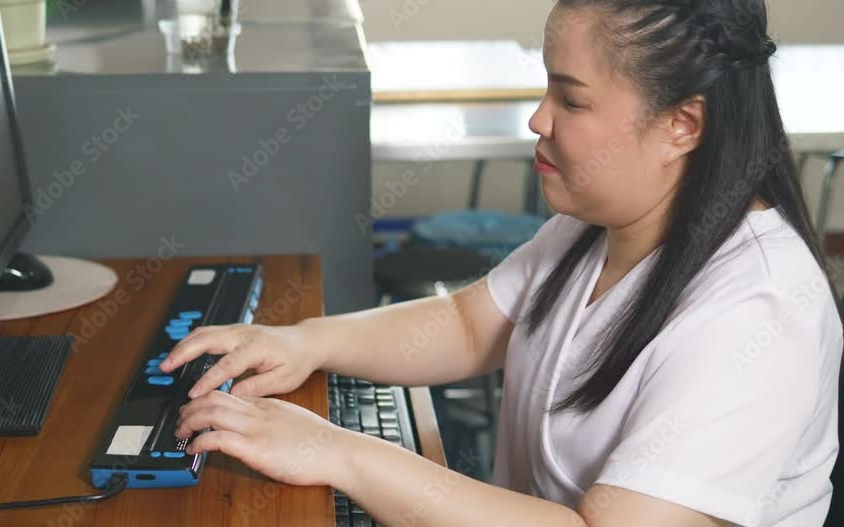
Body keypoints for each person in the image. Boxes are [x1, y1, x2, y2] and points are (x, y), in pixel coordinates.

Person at [160, 0, 844, 524]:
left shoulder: (761, 311)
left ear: (682, 125)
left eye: (571, 99)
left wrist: (337, 450)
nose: (539, 119)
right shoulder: (606, 219)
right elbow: (467, 323)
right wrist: (304, 340)